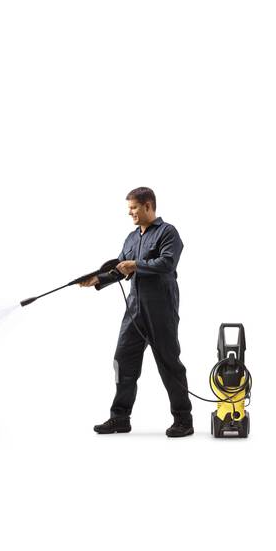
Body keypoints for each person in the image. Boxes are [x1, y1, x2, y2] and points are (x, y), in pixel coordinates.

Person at [83, 187, 192, 437]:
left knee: (169, 364)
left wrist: (136, 265)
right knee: (123, 361)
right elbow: (119, 269)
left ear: (147, 206)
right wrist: (96, 279)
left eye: (133, 208)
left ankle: (183, 420)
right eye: (128, 208)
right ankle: (120, 418)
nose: (129, 212)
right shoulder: (132, 238)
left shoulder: (168, 233)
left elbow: (167, 263)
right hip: (134, 310)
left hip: (161, 310)